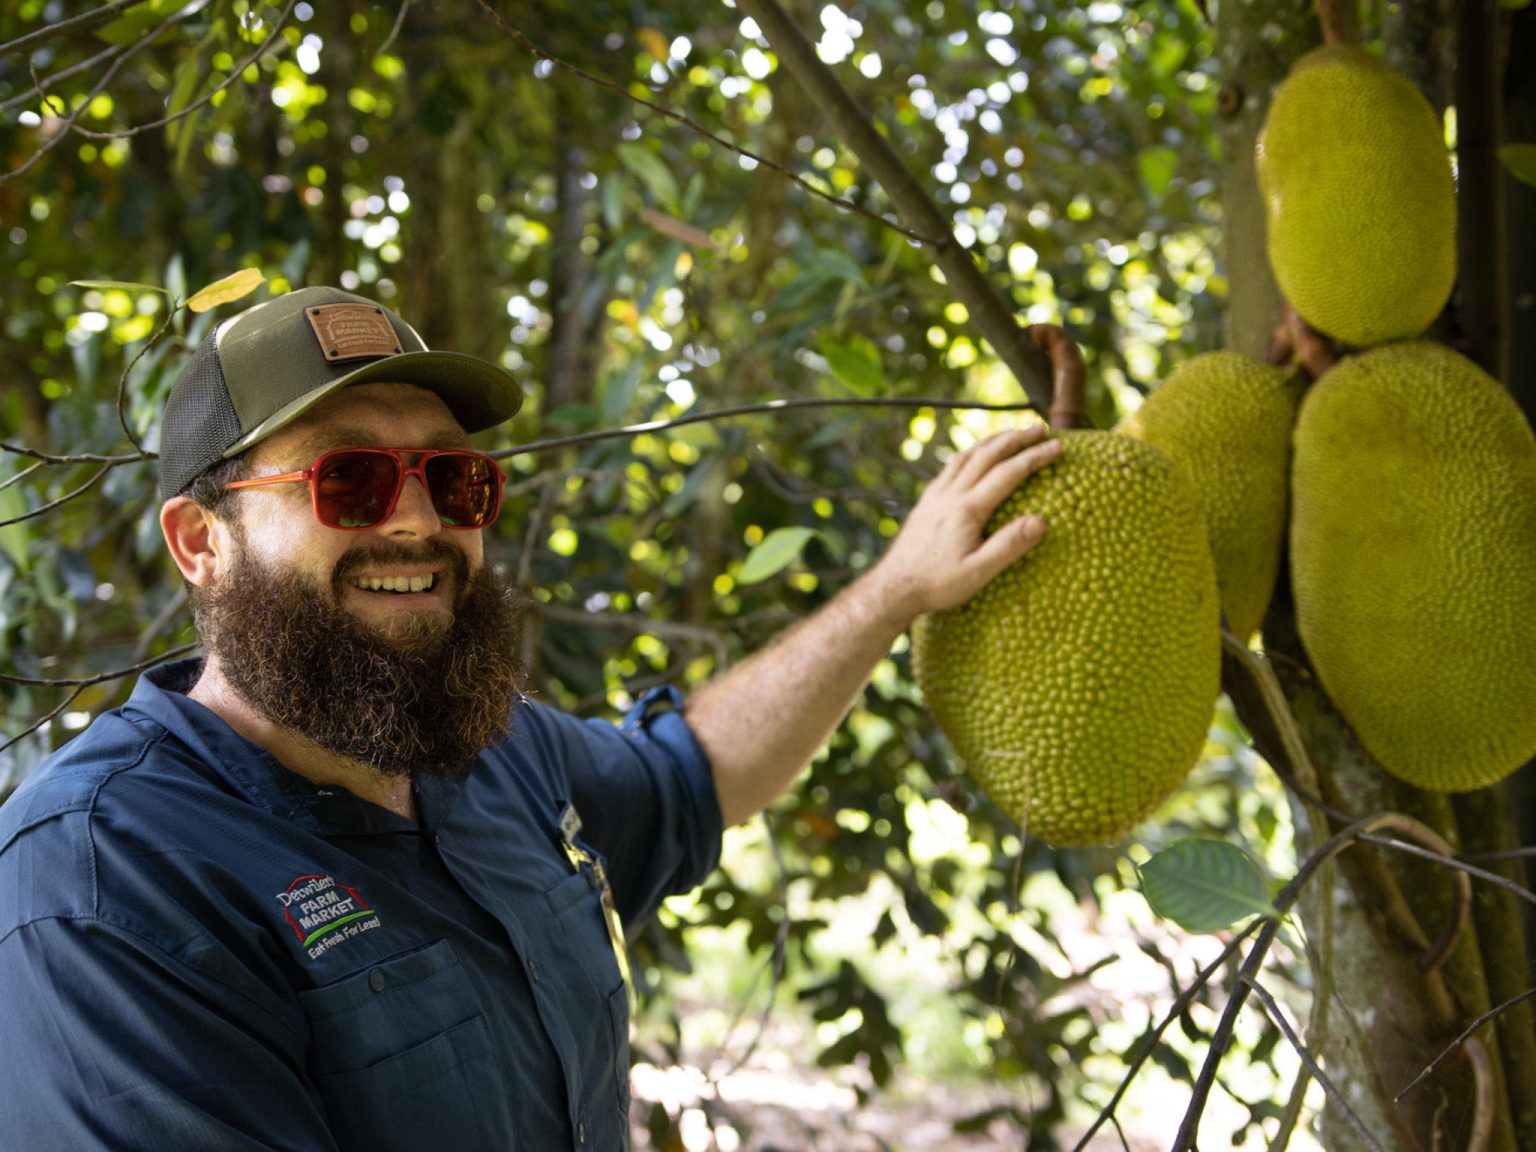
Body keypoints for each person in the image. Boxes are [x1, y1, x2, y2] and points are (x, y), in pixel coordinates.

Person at [0, 285, 1060, 1150]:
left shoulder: (487, 752)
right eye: (352, 480)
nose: (418, 521)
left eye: (453, 480)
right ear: (200, 542)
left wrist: (898, 591)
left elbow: (694, 777)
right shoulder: (106, 884)